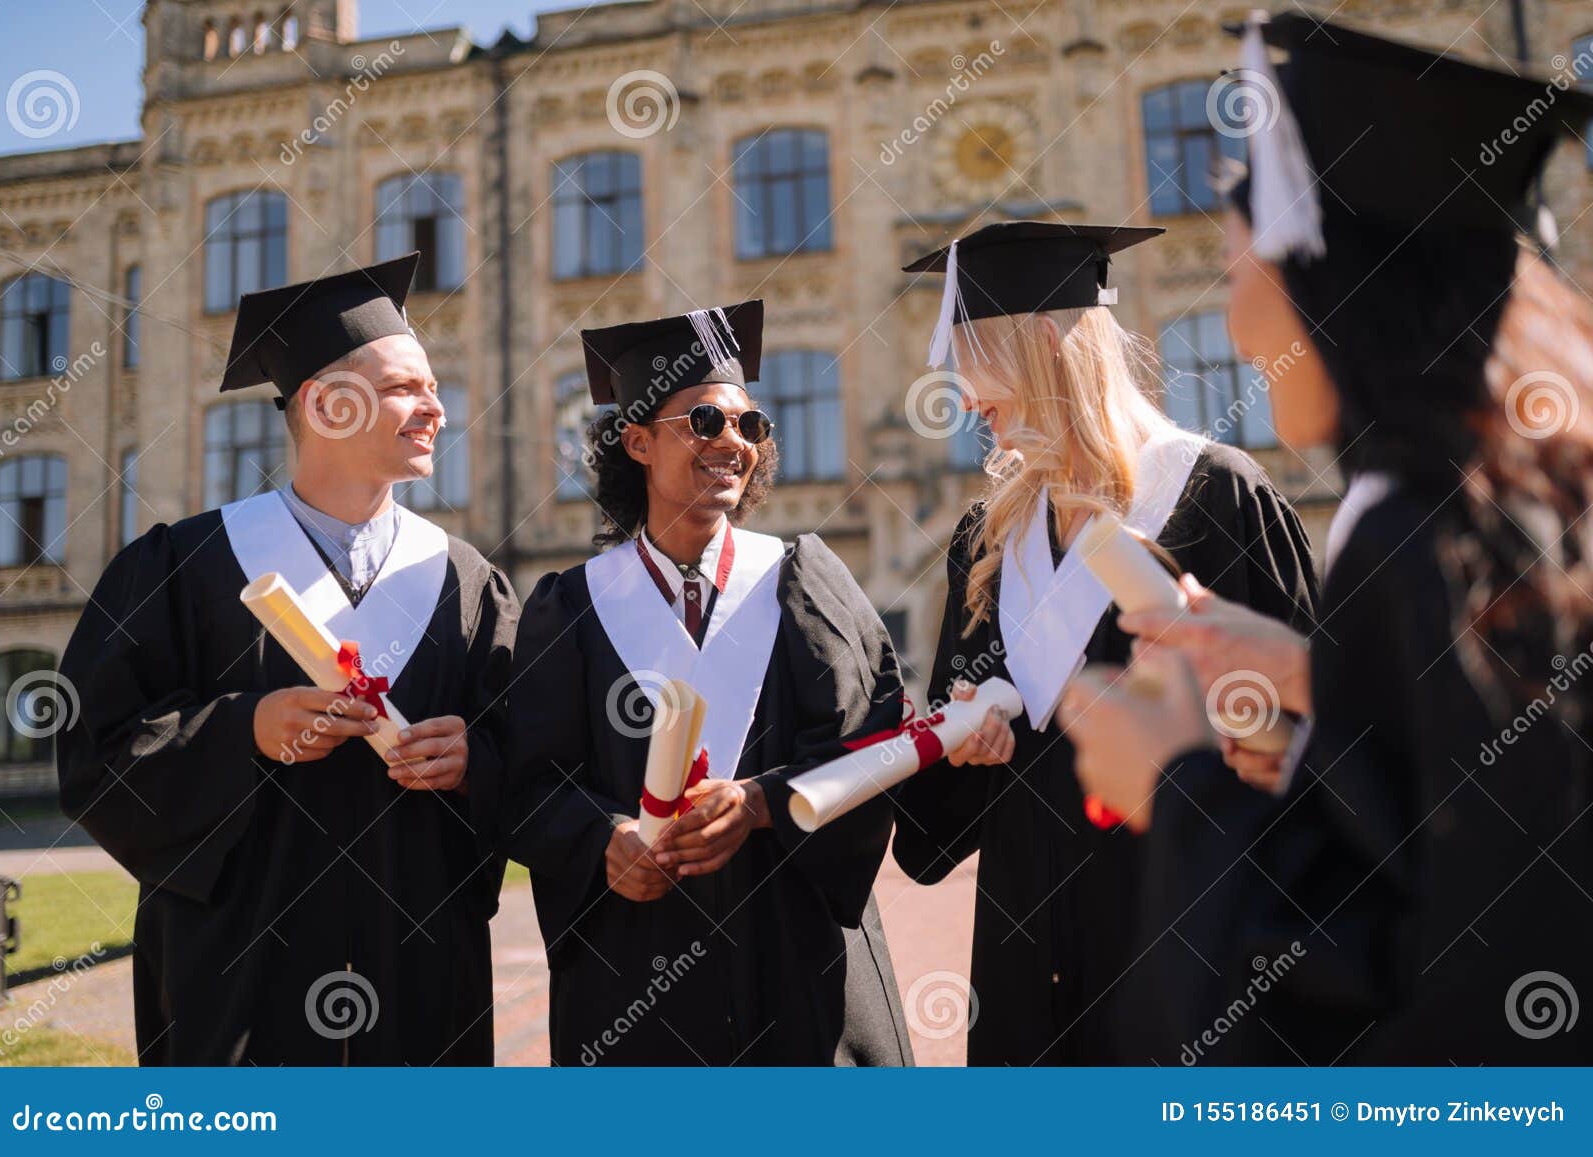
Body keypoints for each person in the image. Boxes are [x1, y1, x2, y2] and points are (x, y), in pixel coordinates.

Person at [1059, 12, 1593, 1063]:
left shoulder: (1418, 537)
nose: (1234, 316)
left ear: (1318, 260)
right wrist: (1316, 688)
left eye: (1233, 254)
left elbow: (1434, 1004)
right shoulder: (1512, 503)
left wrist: (1176, 785)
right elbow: (1473, 829)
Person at [56, 253, 519, 1065]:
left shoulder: (465, 582)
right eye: (408, 387)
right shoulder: (182, 567)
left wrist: (475, 760)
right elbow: (94, 755)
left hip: (421, 973)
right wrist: (243, 730)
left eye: (435, 389)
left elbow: (537, 753)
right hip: (235, 978)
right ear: (327, 404)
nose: (436, 409)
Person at [889, 221, 1319, 1065]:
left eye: (974, 361)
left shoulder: (1220, 497)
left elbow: (1325, 752)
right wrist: (961, 746)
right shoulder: (987, 544)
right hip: (1025, 978)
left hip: (1192, 962)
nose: (963, 398)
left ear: (1047, 346)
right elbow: (935, 834)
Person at [502, 300, 912, 1066]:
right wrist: (602, 840)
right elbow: (527, 784)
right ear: (637, 441)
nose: (734, 442)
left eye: (750, 426)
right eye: (705, 422)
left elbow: (880, 748)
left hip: (802, 968)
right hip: (636, 983)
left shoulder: (807, 582)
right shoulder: (573, 609)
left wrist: (763, 803)